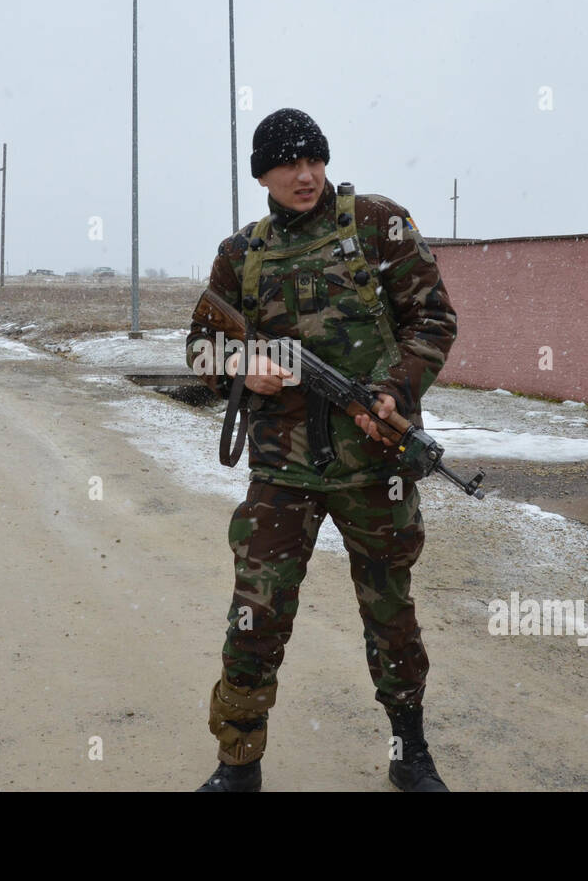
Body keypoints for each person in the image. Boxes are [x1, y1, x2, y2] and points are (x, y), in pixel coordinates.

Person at [185, 108, 458, 791]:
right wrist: (240, 368)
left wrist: (394, 392)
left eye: (314, 160)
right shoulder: (241, 252)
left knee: (390, 612)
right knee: (257, 612)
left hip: (375, 464)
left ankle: (410, 753)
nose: (304, 176)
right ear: (262, 176)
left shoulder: (376, 224)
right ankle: (237, 762)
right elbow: (199, 346)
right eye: (287, 165)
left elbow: (435, 318)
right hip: (283, 468)